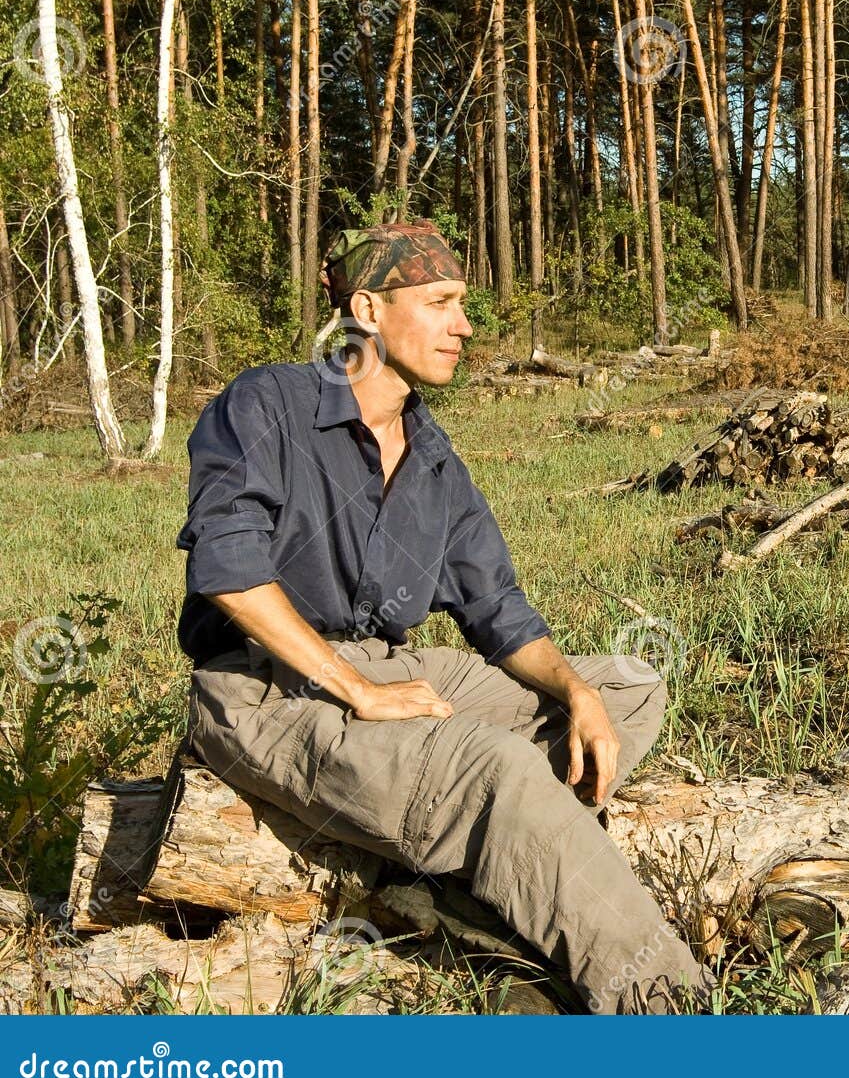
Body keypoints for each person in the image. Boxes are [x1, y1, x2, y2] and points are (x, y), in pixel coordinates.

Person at [176, 220, 714, 1014]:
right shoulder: (269, 403)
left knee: (628, 688)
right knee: (497, 767)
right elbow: (228, 569)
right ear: (368, 308)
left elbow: (497, 609)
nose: (464, 324)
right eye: (440, 302)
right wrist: (358, 689)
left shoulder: (432, 455)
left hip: (387, 670)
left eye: (462, 303)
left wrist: (576, 691)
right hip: (268, 690)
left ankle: (475, 890)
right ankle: (670, 1008)